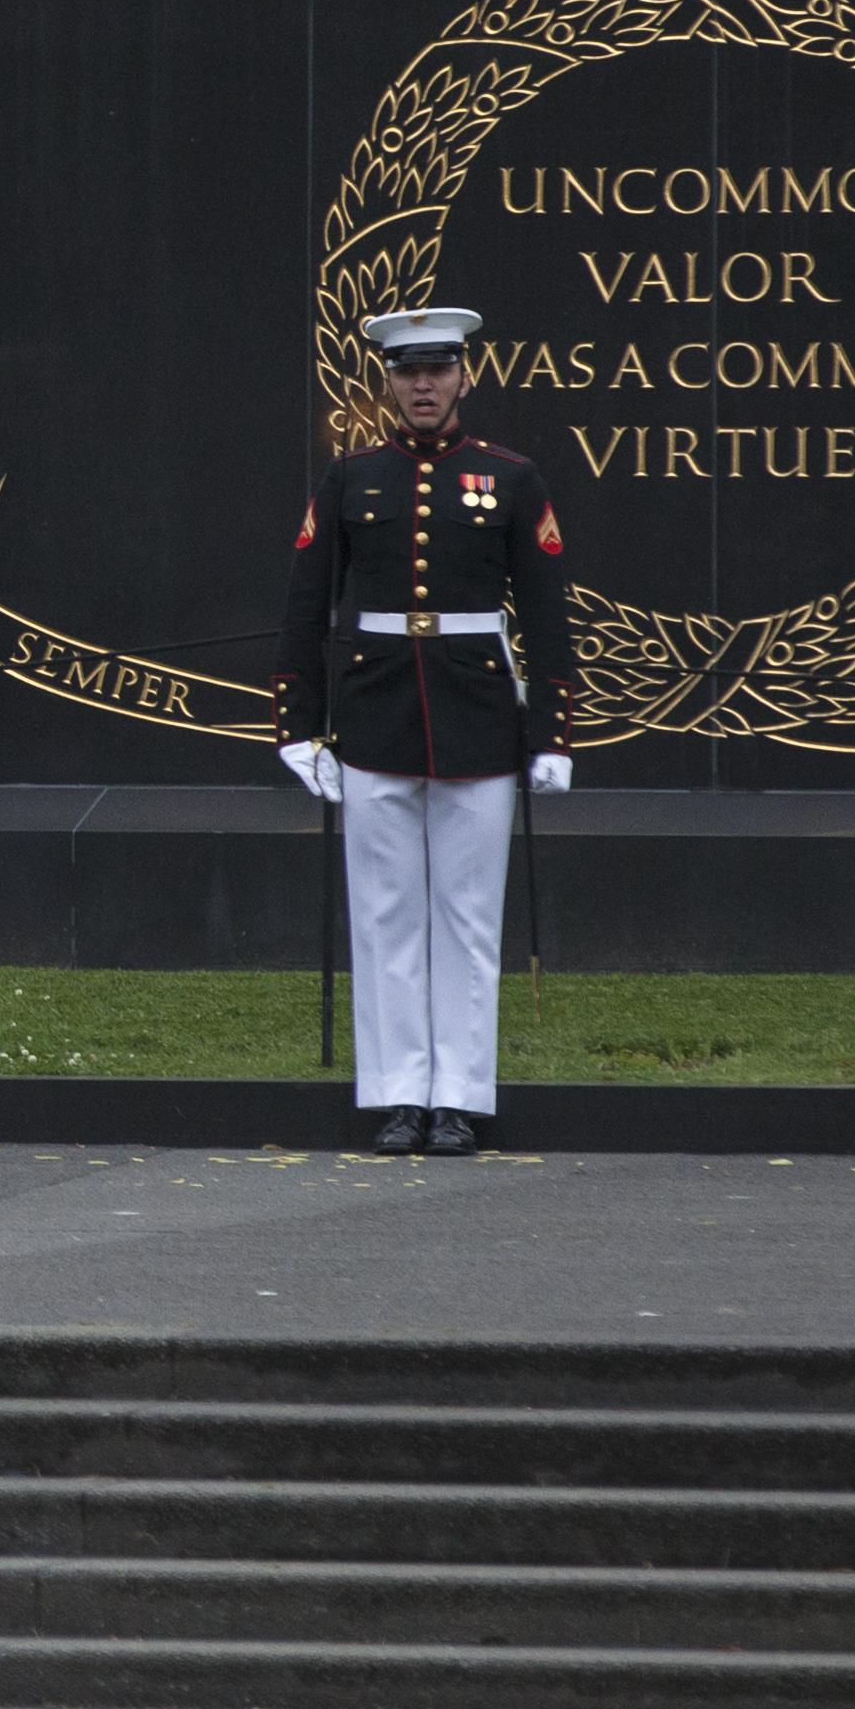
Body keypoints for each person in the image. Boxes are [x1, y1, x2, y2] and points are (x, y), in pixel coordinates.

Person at [274, 307, 578, 1156]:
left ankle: (460, 1098)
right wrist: (297, 727)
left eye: (437, 369)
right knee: (384, 916)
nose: (421, 385)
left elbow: (547, 614)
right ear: (385, 379)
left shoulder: (510, 479)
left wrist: (550, 732)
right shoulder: (349, 478)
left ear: (462, 376)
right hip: (373, 714)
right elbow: (305, 606)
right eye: (406, 371)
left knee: (468, 917)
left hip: (478, 716)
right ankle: (398, 1094)